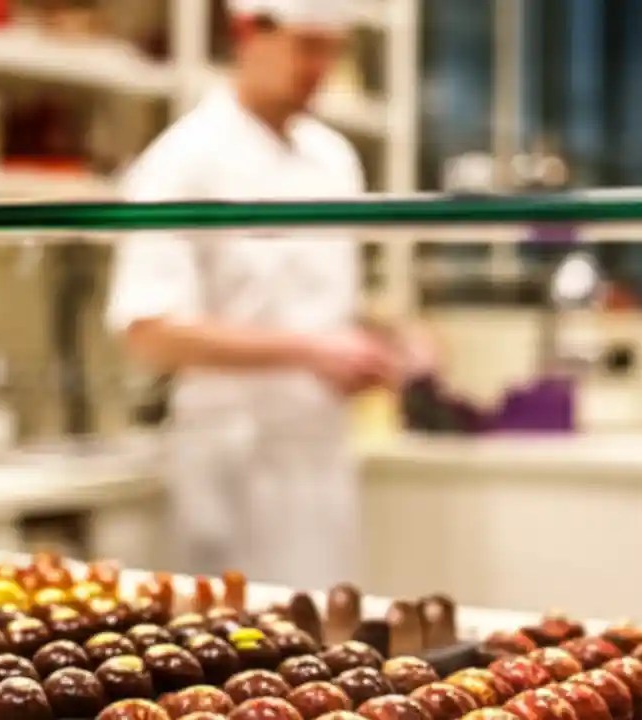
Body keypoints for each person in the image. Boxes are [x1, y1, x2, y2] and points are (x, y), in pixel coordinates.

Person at [106, 0, 421, 589]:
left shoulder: (334, 158)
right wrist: (312, 351)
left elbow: (330, 303)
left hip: (322, 455)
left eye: (332, 49)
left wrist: (395, 339)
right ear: (248, 32)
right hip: (232, 460)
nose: (319, 67)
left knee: (332, 647)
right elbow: (148, 330)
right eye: (306, 46)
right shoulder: (183, 160)